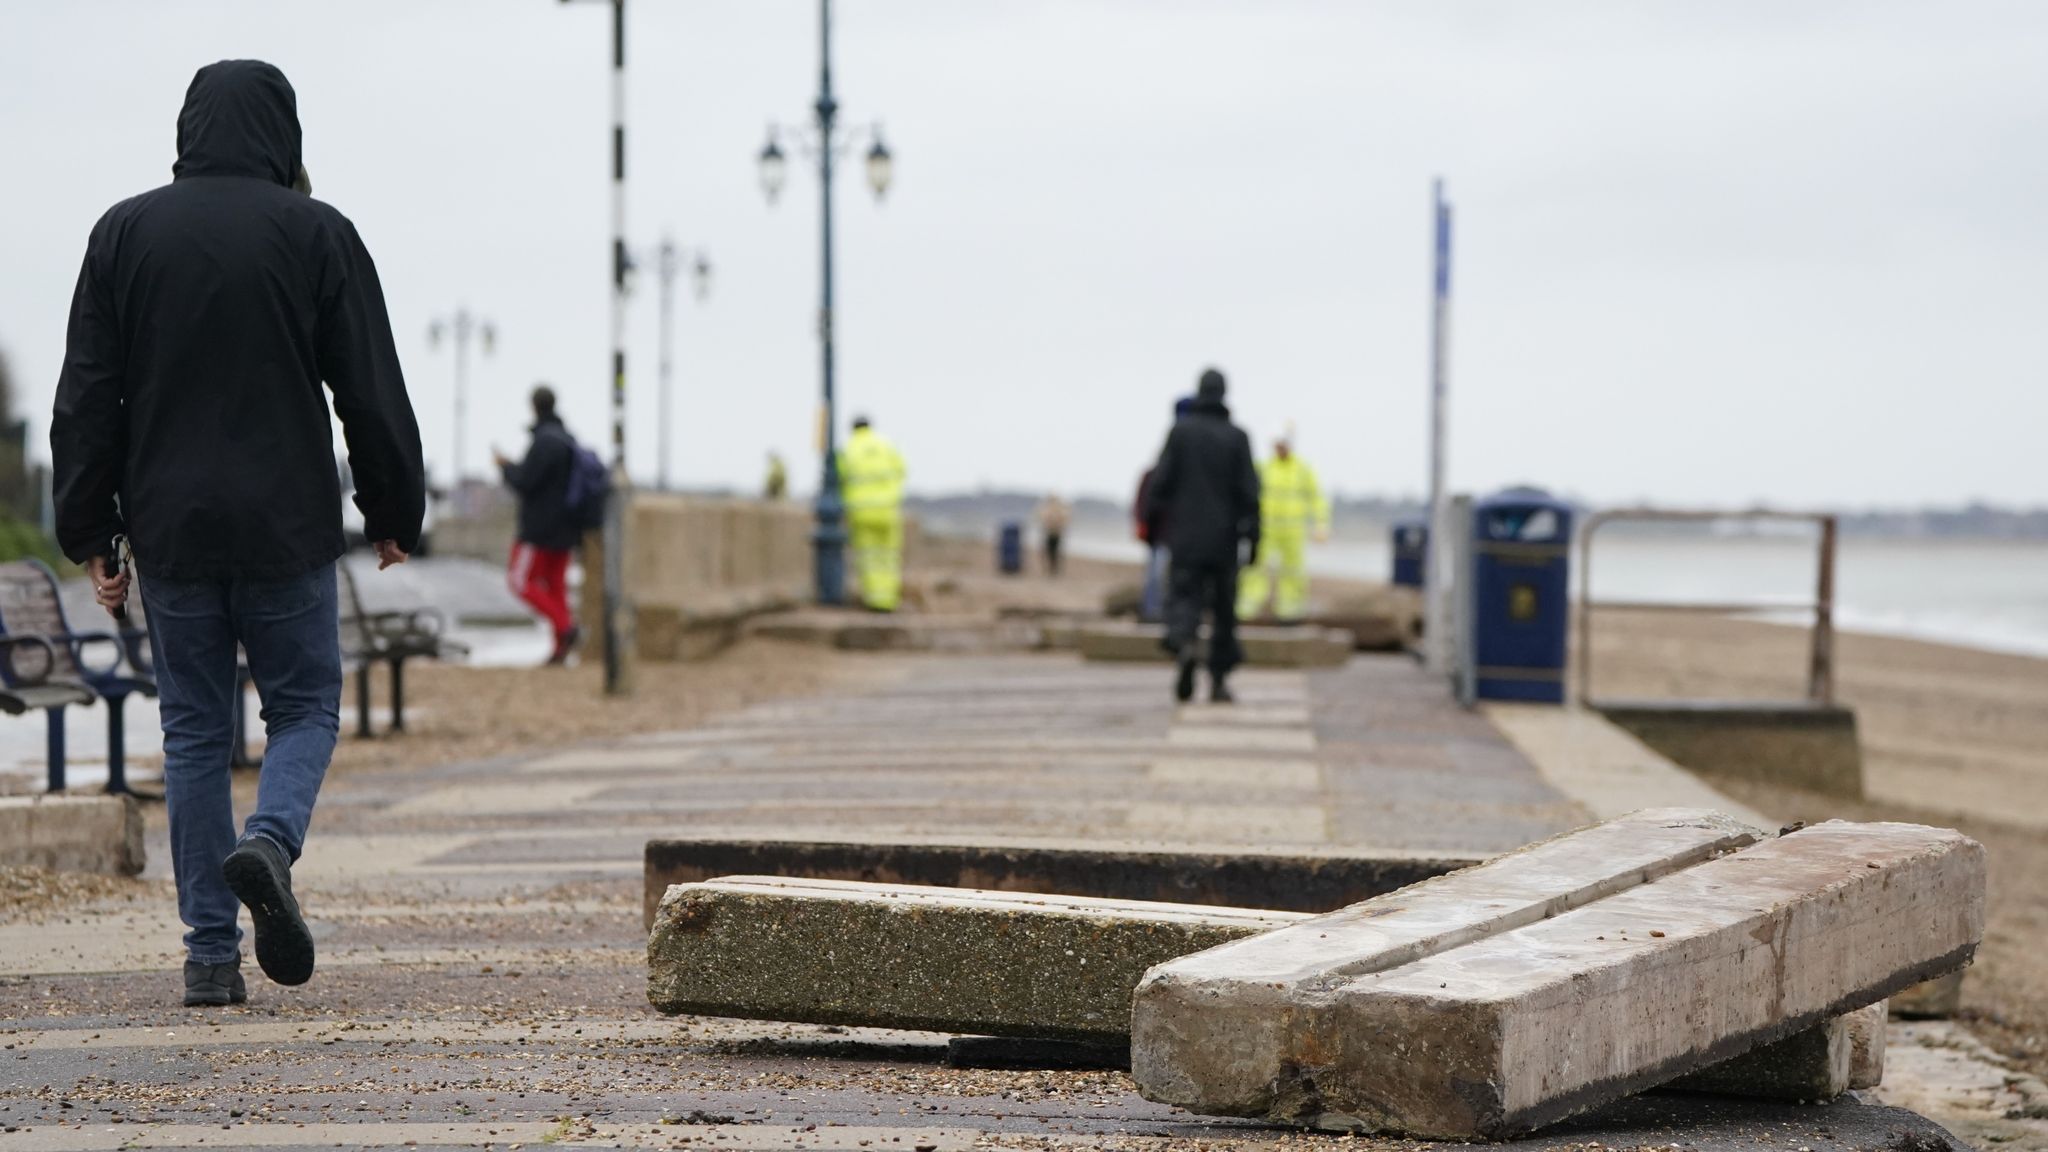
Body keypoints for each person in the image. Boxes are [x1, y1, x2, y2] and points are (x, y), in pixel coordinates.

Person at [51, 60, 424, 1007]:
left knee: (192, 736)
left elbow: (90, 395)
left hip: (170, 525)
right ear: (282, 134)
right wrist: (392, 510)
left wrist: (89, 526)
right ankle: (271, 840)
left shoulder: (123, 234)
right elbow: (367, 387)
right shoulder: (318, 232)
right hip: (287, 523)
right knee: (302, 710)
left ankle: (209, 958)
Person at [1142, 368, 1260, 703]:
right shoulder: (1237, 437)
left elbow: (1160, 484)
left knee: (1184, 599)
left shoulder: (1180, 433)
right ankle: (1219, 681)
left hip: (1186, 537)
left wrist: (1152, 530)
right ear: (1224, 393)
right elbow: (1250, 493)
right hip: (1224, 540)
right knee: (1223, 611)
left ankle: (1185, 643)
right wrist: (1253, 540)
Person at [493, 385, 583, 664]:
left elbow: (525, 482)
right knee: (556, 587)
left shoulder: (544, 441)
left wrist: (505, 467)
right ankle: (559, 649)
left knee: (519, 581)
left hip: (539, 529)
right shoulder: (568, 439)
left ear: (533, 406)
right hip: (567, 528)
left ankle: (566, 628)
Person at [1237, 431, 1331, 622]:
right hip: (1265, 529)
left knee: (1292, 570)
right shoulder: (1263, 468)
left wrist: (1321, 523)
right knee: (1255, 568)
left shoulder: (1302, 469)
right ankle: (1248, 606)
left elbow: (1317, 498)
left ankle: (1290, 610)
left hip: (1293, 531)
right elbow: (1247, 493)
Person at [838, 415, 907, 612]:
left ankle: (874, 600)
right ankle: (889, 599)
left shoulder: (848, 449)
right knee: (889, 556)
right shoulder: (885, 445)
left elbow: (839, 478)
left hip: (861, 511)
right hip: (888, 510)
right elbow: (902, 470)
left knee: (868, 556)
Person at [1134, 396, 1193, 622]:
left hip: (1174, 533)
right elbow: (1144, 502)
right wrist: (1143, 524)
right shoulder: (1153, 476)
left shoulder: (1176, 477)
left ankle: (1165, 612)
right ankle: (1152, 612)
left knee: (1168, 576)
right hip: (1162, 534)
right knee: (1156, 575)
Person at [1036, 493, 1071, 577]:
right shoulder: (1050, 508)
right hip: (1051, 532)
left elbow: (1065, 519)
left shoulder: (1057, 508)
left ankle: (1053, 569)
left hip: (1055, 532)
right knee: (1051, 551)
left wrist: (1058, 525)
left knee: (1052, 551)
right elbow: (1040, 517)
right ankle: (1052, 569)